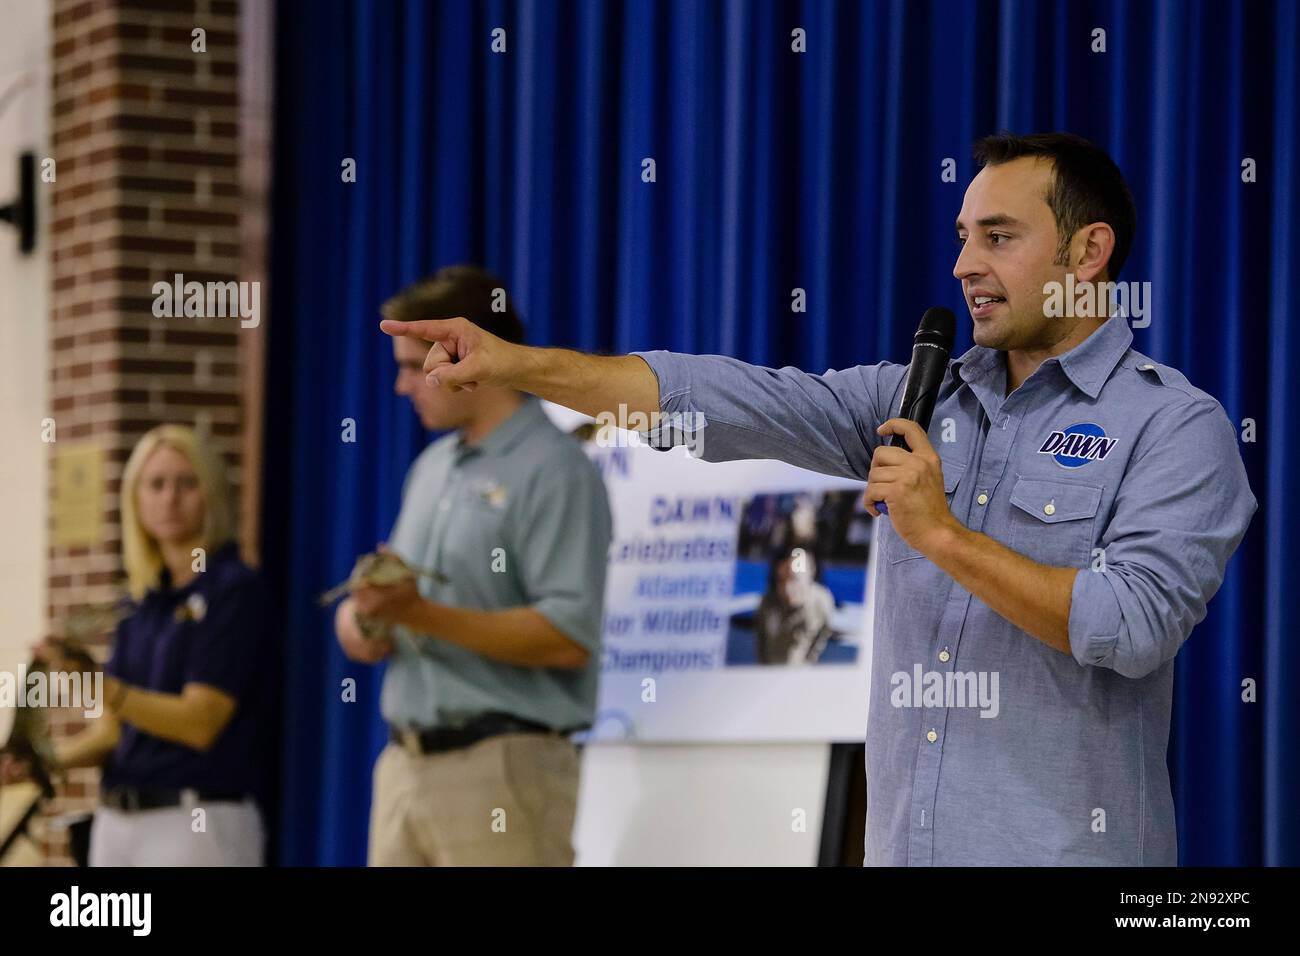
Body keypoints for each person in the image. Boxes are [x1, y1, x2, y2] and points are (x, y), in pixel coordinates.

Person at [382, 134, 1256, 866]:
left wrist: (942, 535)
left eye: (998, 236)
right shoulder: (916, 399)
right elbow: (714, 401)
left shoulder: (1173, 426)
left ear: (1088, 252)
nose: (963, 265)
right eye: (962, 236)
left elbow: (1131, 627)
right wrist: (516, 365)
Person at [336, 264, 612, 867]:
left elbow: (568, 637)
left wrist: (422, 613)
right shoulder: (430, 467)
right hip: (403, 765)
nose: (402, 387)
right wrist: (367, 620)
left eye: (415, 367)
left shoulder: (554, 469)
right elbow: (396, 610)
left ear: (470, 357)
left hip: (503, 767)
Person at [8, 424, 276, 866]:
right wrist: (47, 760)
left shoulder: (233, 590)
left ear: (210, 493)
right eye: (156, 484)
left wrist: (98, 684)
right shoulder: (142, 600)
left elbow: (199, 722)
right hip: (117, 820)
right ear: (135, 499)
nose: (169, 498)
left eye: (186, 483)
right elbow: (115, 732)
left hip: (195, 819)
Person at [754, 546, 836, 665]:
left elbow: (821, 639)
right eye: (781, 581)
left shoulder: (822, 603)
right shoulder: (767, 604)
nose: (787, 589)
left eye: (794, 579)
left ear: (810, 573)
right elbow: (761, 644)